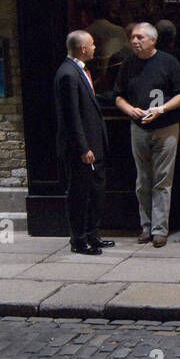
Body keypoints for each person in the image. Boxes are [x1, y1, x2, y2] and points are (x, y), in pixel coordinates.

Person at [115, 22, 180, 247]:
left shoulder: (168, 62)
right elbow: (118, 95)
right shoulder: (128, 64)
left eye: (140, 37)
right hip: (138, 128)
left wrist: (162, 109)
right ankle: (145, 226)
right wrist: (130, 110)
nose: (134, 41)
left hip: (166, 127)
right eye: (132, 38)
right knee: (143, 180)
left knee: (162, 180)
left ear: (152, 40)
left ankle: (159, 229)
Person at [54, 30, 111, 255]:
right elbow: (72, 115)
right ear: (83, 48)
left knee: (95, 192)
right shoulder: (68, 74)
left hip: (95, 145)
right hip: (82, 149)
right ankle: (78, 240)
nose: (95, 47)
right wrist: (83, 147)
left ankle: (92, 234)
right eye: (93, 44)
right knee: (79, 195)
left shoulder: (81, 70)